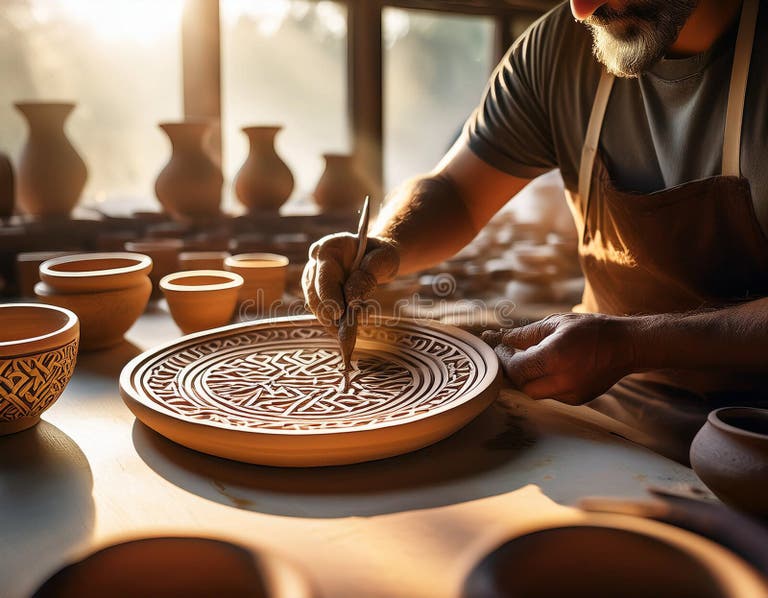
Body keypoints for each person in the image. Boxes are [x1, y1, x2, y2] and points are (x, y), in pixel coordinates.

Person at [302, 0, 768, 464]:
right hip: (599, 398)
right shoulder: (564, 47)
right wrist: (385, 245)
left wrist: (631, 344)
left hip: (750, 435)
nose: (582, 10)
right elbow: (455, 191)